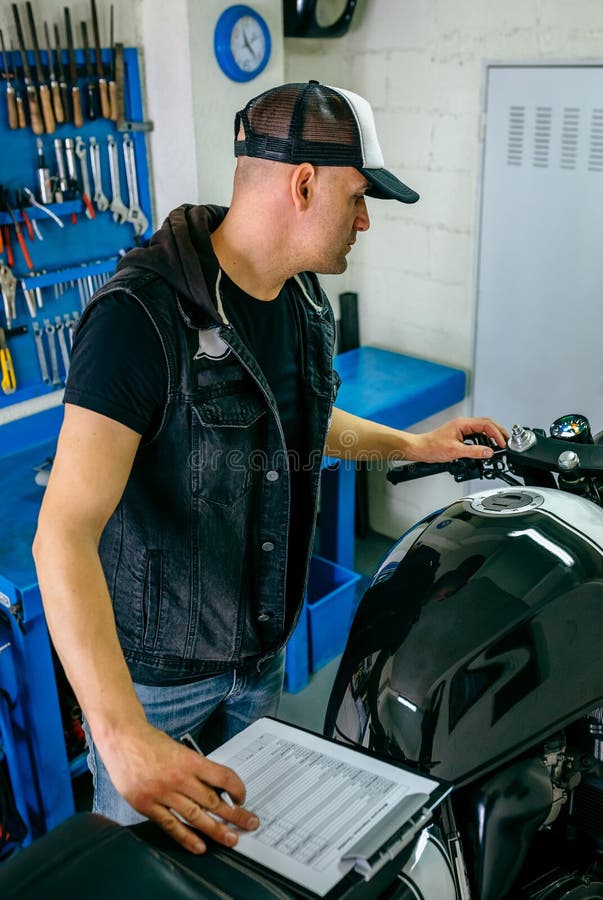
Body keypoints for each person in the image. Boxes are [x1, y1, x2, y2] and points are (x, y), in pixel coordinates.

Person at [32, 81, 507, 855]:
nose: (363, 220)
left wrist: (418, 446)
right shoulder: (138, 319)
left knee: (238, 856)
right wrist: (120, 735)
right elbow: (61, 536)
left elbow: (302, 425)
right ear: (303, 182)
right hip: (157, 684)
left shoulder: (301, 304)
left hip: (258, 656)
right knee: (141, 873)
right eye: (358, 197)